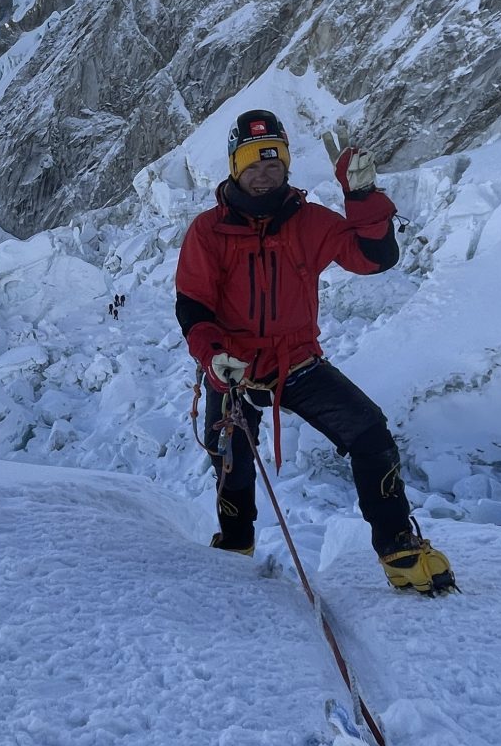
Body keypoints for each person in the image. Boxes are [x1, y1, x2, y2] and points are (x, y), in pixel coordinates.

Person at [174, 109, 454, 595]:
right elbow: (193, 305)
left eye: (273, 167)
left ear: (286, 169)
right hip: (233, 367)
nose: (263, 177)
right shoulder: (209, 231)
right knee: (230, 459)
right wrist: (213, 353)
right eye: (253, 167)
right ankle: (235, 548)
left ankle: (399, 548)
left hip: (295, 362)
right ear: (234, 169)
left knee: (370, 435)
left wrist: (362, 199)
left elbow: (374, 258)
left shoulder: (309, 222)